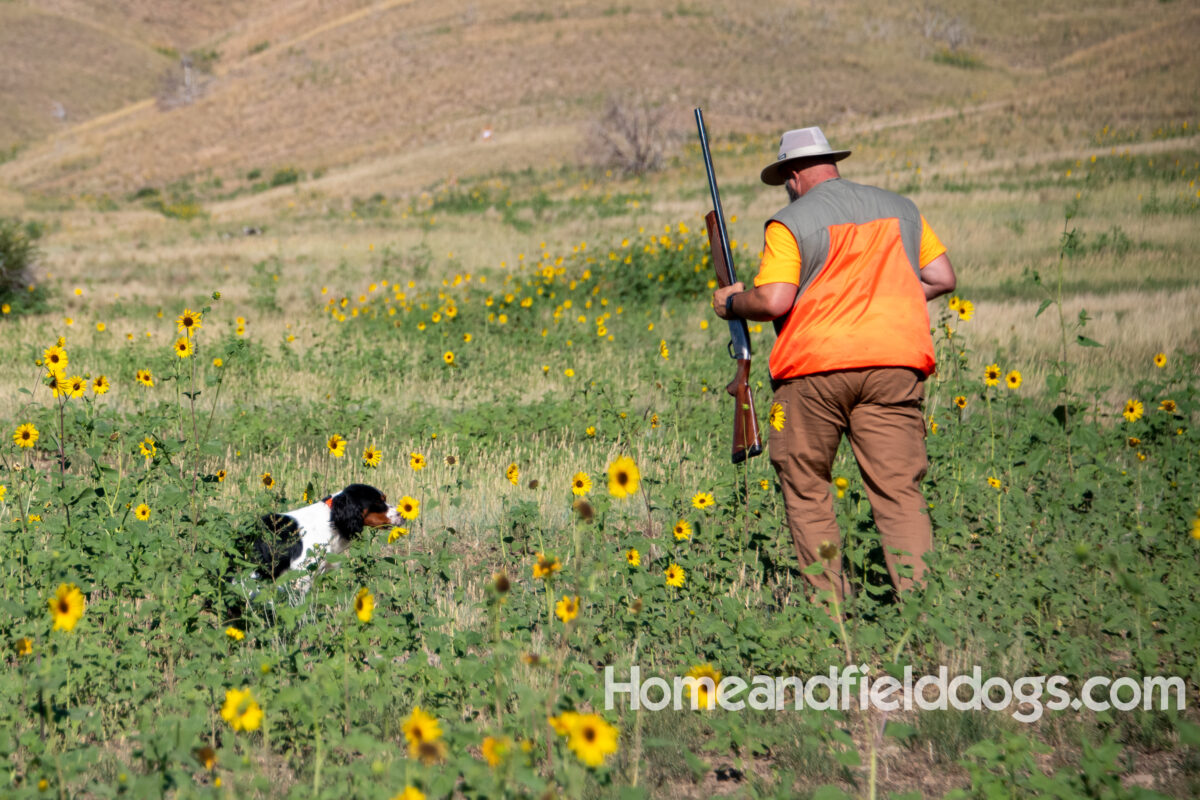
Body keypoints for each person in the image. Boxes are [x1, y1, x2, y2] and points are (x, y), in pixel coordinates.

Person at [712, 126, 956, 607]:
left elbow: (777, 298)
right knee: (899, 492)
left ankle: (831, 615)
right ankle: (924, 614)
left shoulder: (789, 221)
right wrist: (886, 303)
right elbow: (942, 277)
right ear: (832, 162)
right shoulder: (902, 208)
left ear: (792, 175)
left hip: (814, 371)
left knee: (807, 487)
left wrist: (734, 302)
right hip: (895, 365)